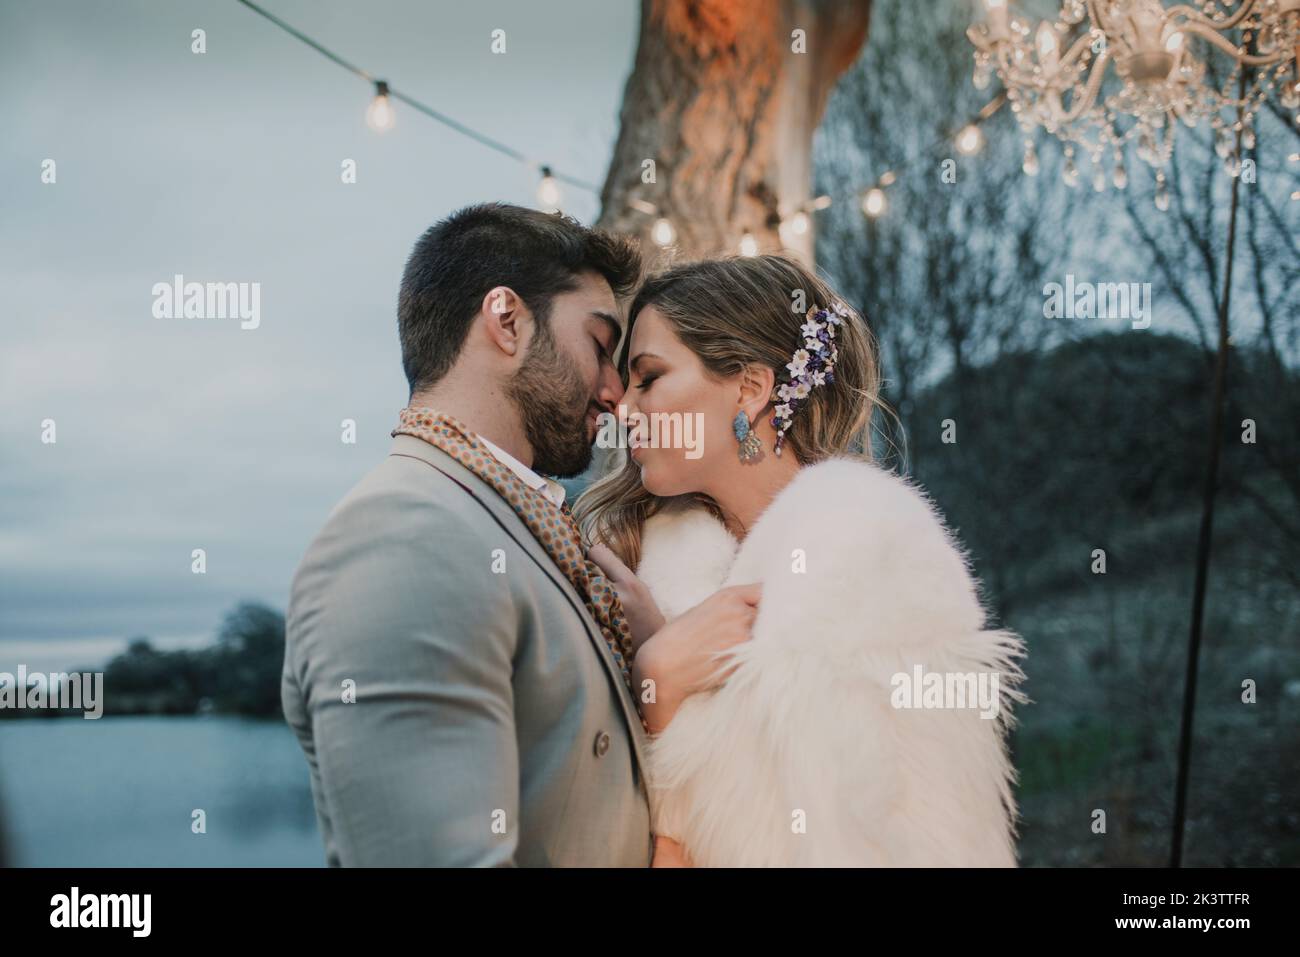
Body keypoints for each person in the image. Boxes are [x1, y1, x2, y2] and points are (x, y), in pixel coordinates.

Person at [281, 203, 757, 866]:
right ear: (506, 321)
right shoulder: (401, 536)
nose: (617, 392)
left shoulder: (507, 522)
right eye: (599, 345)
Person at [577, 254, 1028, 867]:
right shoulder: (637, 569)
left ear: (750, 388)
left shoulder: (872, 553)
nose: (622, 407)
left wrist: (659, 687)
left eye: (649, 377)